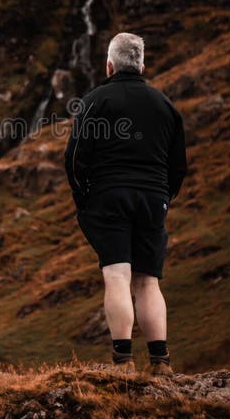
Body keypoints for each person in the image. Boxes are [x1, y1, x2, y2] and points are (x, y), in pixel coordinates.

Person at [64, 32, 187, 375]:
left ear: (109, 65)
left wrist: (83, 197)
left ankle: (123, 362)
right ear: (142, 64)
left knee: (117, 275)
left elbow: (74, 159)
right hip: (153, 198)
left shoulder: (94, 101)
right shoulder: (165, 105)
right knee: (148, 281)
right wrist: (164, 197)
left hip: (108, 197)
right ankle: (161, 362)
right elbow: (178, 166)